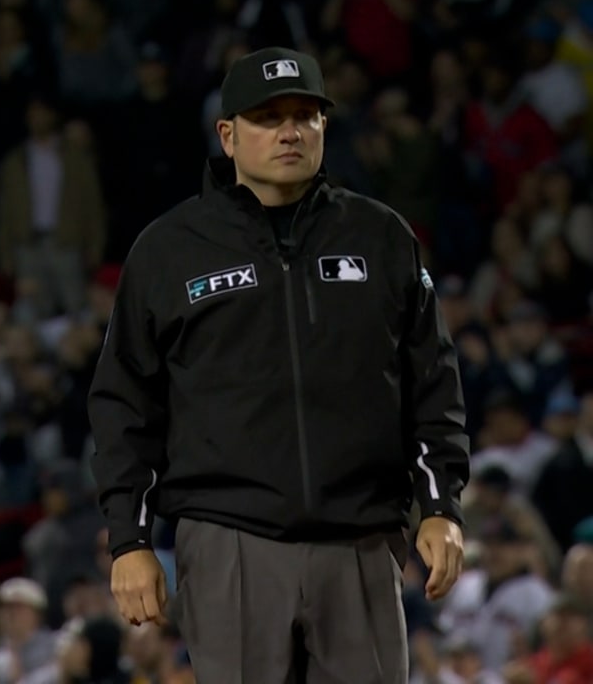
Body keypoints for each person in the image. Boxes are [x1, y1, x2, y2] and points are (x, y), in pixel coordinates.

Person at [87, 46, 471, 683]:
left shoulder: (381, 237)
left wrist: (440, 505)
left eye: (305, 115)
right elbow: (124, 404)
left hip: (361, 541)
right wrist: (130, 539)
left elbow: (433, 386)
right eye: (268, 117)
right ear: (229, 135)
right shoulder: (169, 250)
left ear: (325, 126)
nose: (290, 131)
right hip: (228, 541)